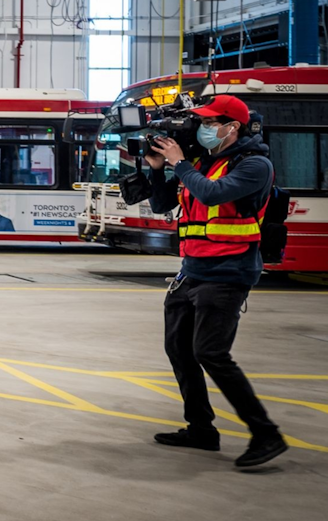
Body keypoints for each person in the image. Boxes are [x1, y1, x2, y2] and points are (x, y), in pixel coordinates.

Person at [146, 94, 287, 468]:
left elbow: (212, 195)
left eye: (211, 122)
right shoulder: (203, 163)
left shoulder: (254, 165)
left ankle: (266, 433)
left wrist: (180, 164)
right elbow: (162, 206)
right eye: (203, 122)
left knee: (211, 353)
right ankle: (201, 429)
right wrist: (160, 168)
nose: (205, 128)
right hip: (192, 271)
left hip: (228, 272)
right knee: (179, 349)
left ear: (232, 127)